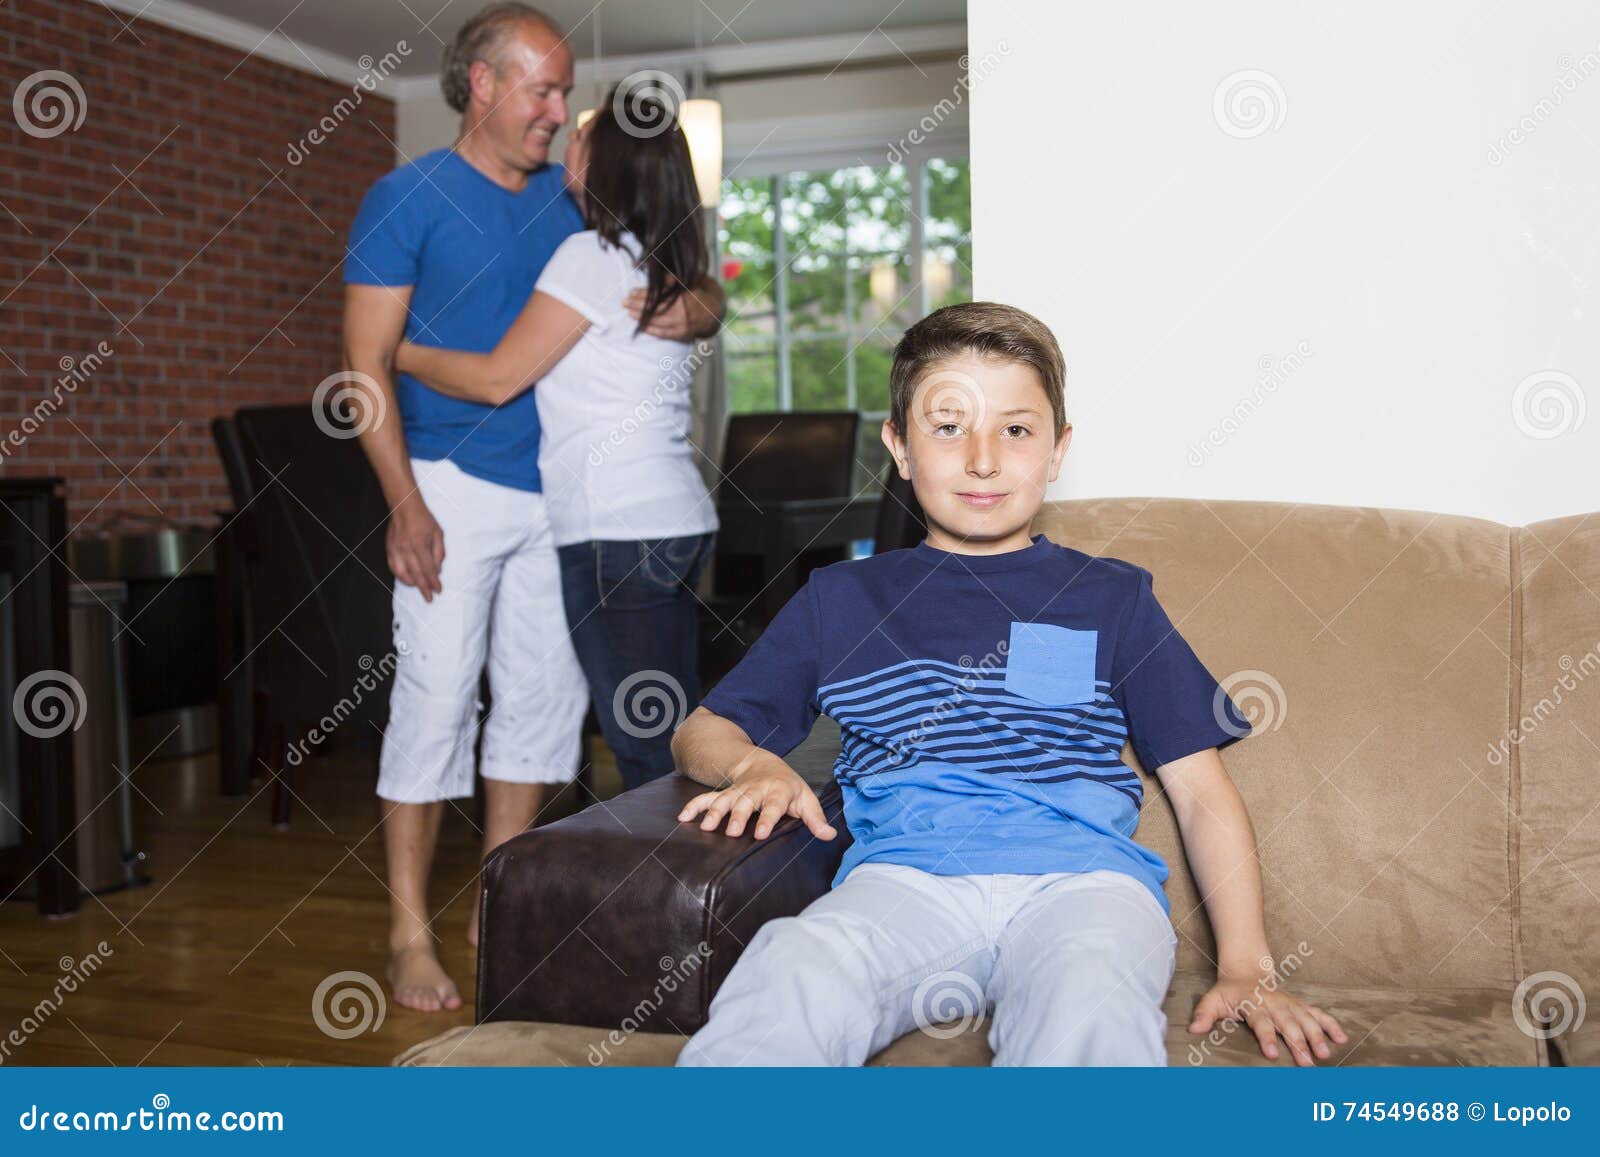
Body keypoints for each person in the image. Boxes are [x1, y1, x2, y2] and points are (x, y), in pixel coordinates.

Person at [669, 302, 1349, 1066]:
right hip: (906, 882)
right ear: (898, 446)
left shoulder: (1112, 596)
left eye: (1016, 430)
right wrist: (752, 763)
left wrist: (1247, 968)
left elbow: (1200, 791)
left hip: (1085, 887)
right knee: (791, 966)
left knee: (1090, 1006)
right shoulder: (840, 600)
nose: (983, 459)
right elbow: (700, 729)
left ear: (1057, 450)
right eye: (948, 426)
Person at [341, 3, 722, 1013]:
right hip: (448, 488)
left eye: (565, 94)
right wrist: (403, 501)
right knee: (432, 702)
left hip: (564, 505)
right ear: (482, 85)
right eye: (544, 90)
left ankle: (497, 909)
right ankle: (409, 930)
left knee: (544, 715)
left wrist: (701, 307)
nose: (559, 112)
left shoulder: (574, 205)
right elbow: (364, 367)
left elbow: (676, 267)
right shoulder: (404, 195)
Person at [394, 88, 718, 794]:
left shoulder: (589, 255)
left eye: (582, 135)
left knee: (646, 756)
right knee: (680, 736)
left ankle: (679, 900)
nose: (567, 142)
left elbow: (495, 380)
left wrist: (400, 351)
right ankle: (710, 896)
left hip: (616, 535)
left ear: (607, 162)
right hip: (675, 523)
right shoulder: (657, 258)